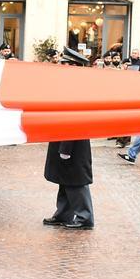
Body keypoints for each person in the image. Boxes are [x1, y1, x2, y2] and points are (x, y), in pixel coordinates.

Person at [42, 49, 94, 230]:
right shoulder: (69, 85)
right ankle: (63, 214)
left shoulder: (76, 88)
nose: (60, 66)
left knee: (76, 181)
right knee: (64, 179)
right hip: (63, 138)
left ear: (73, 66)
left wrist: (66, 147)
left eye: (64, 64)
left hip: (72, 141)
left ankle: (84, 217)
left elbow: (73, 120)